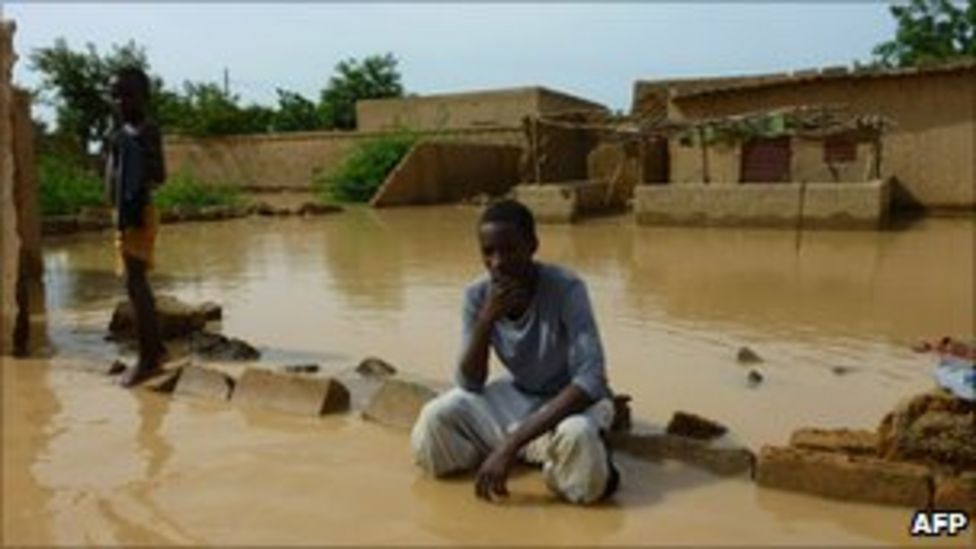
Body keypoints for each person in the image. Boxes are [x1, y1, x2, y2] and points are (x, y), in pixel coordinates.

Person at [411, 199, 619, 504]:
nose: (497, 262)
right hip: (520, 395)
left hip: (568, 402)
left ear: (532, 246)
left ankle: (570, 461)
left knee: (578, 438)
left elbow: (590, 380)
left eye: (508, 250)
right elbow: (470, 383)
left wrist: (509, 445)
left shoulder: (566, 288)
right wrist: (486, 320)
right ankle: (525, 456)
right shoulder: (477, 295)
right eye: (488, 252)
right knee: (434, 419)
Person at [104, 66, 167, 387]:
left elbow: (158, 175)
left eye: (127, 93)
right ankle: (156, 349)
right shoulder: (120, 131)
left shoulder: (145, 130)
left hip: (138, 213)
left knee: (136, 283)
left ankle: (148, 361)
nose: (120, 100)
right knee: (135, 283)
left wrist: (135, 151)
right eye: (115, 94)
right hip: (124, 215)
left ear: (145, 96)